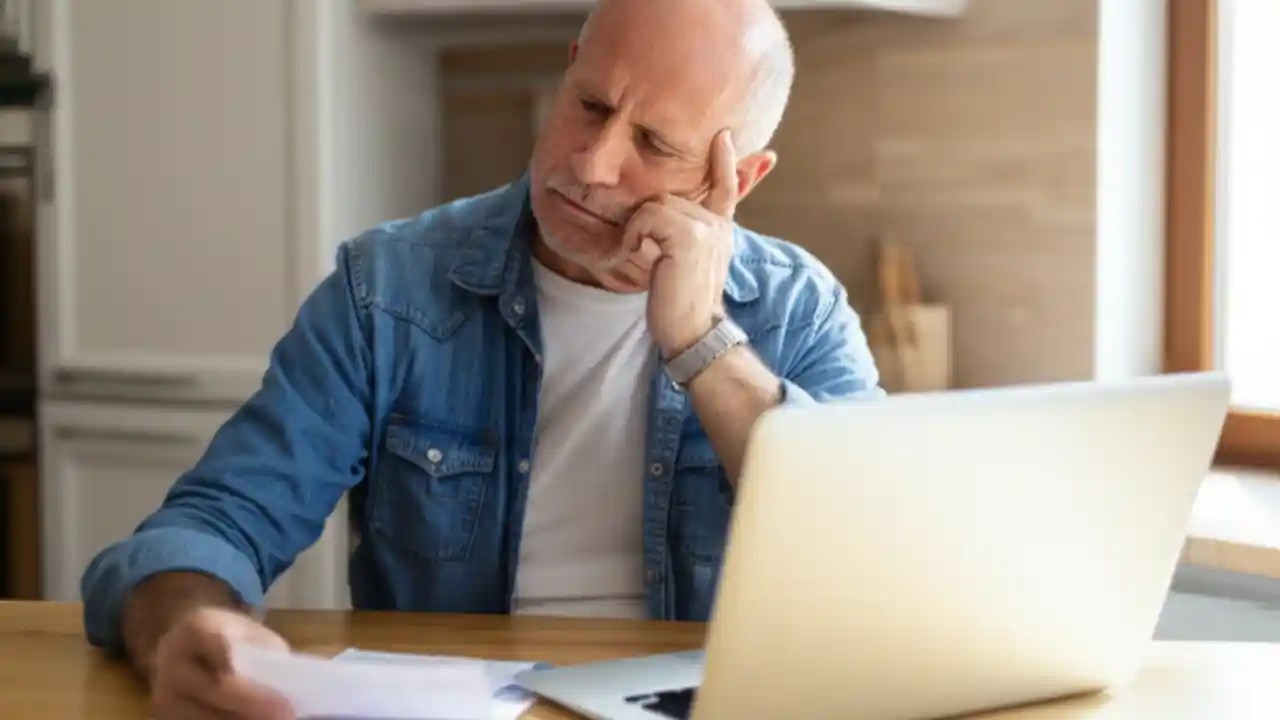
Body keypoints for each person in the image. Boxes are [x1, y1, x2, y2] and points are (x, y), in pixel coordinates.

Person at [81, 0, 881, 716]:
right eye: (591, 105)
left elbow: (876, 569)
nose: (592, 163)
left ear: (734, 178)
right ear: (568, 72)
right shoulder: (388, 287)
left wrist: (702, 342)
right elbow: (218, 520)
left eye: (653, 143)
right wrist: (189, 623)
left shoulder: (797, 308)